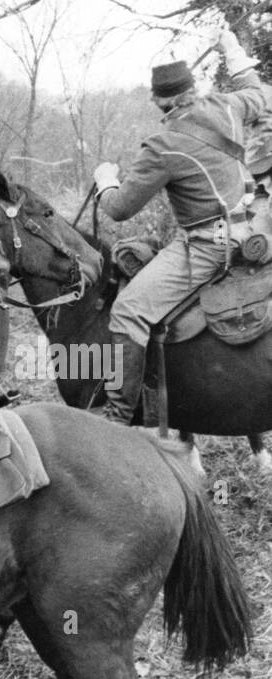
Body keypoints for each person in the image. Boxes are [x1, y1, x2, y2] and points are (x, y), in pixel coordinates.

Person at [91, 27, 272, 424]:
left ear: (159, 100)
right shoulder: (228, 106)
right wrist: (232, 47)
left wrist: (106, 178)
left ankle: (118, 415)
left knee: (128, 311)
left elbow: (119, 209)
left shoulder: (162, 146)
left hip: (208, 246)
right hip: (257, 227)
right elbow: (258, 90)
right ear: (193, 89)